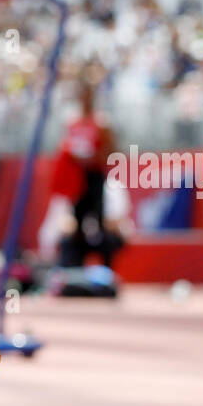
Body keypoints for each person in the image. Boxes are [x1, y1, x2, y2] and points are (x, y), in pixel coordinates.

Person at [53, 83, 122, 268]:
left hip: (95, 177)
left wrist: (95, 157)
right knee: (77, 223)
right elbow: (66, 149)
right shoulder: (73, 123)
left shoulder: (101, 123)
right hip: (77, 179)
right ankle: (77, 269)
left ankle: (106, 270)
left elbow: (112, 150)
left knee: (100, 222)